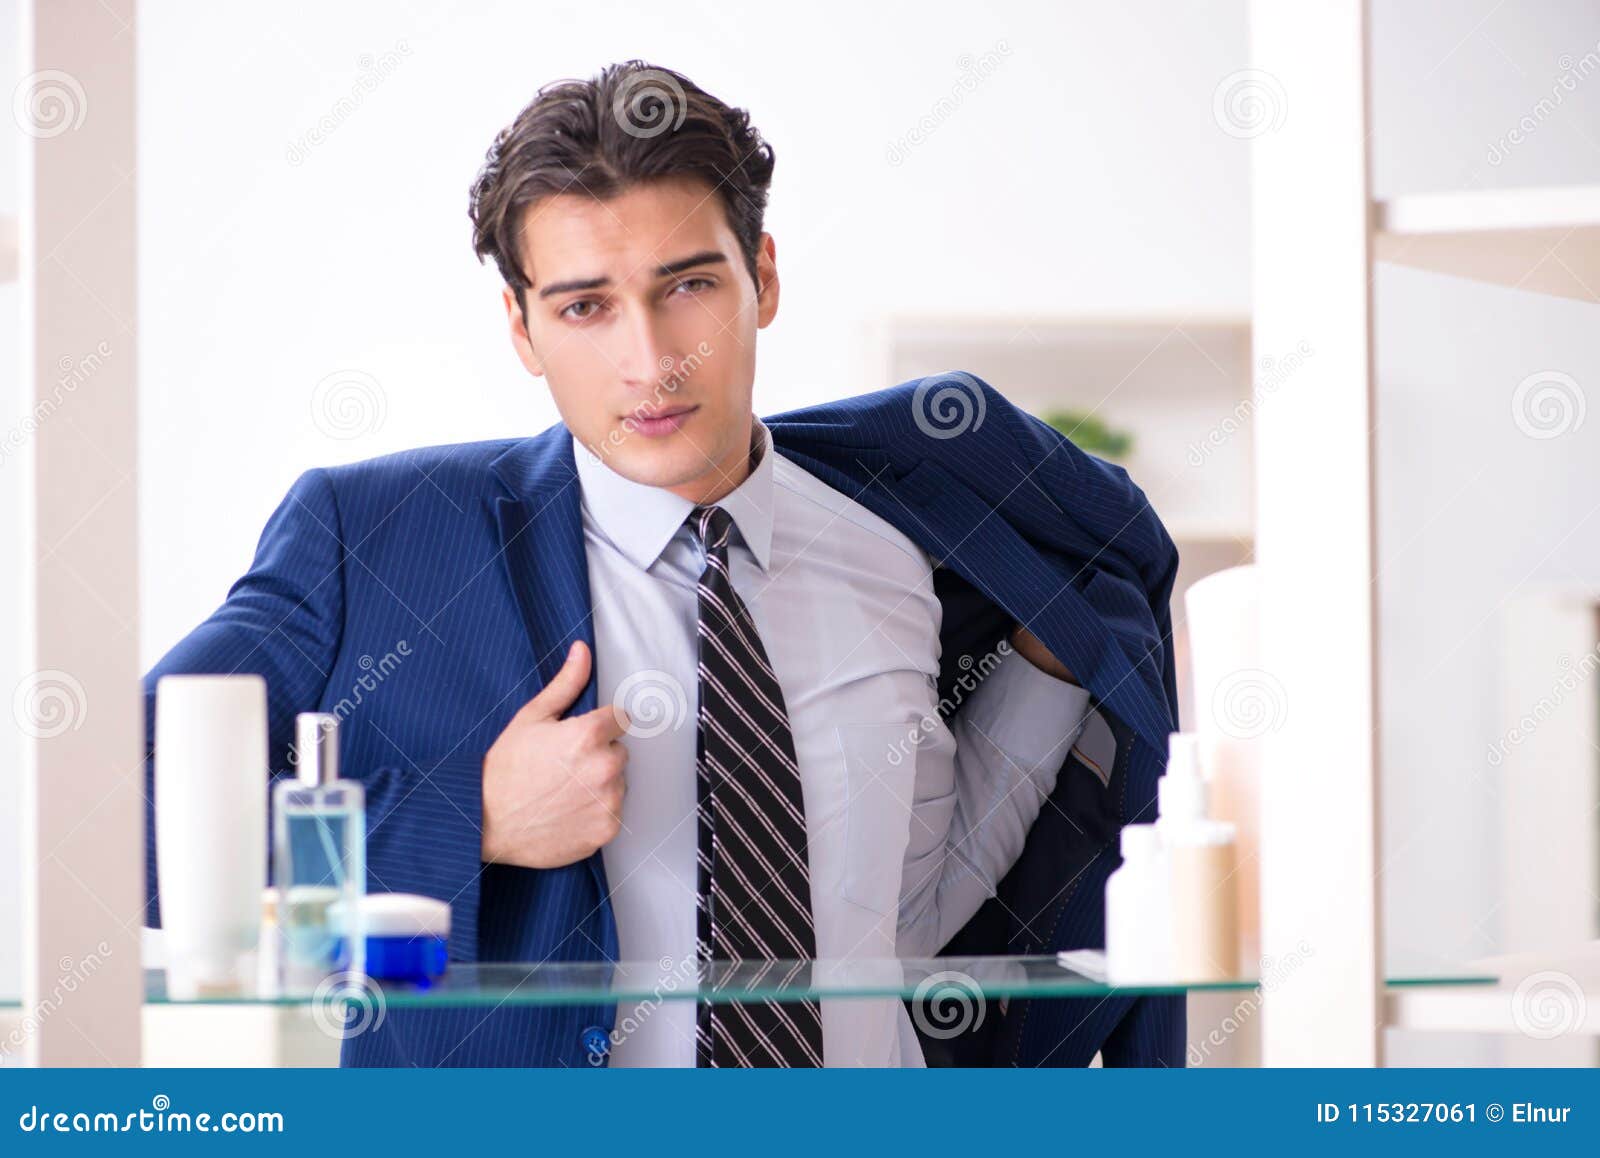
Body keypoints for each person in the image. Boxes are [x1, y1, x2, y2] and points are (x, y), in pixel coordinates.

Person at [142, 59, 1184, 1068]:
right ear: (521, 328)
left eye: (686, 285)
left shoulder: (893, 555)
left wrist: (1043, 681)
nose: (651, 361)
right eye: (584, 306)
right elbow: (117, 807)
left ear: (761, 277)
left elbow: (893, 920)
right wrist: (474, 819)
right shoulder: (376, 538)